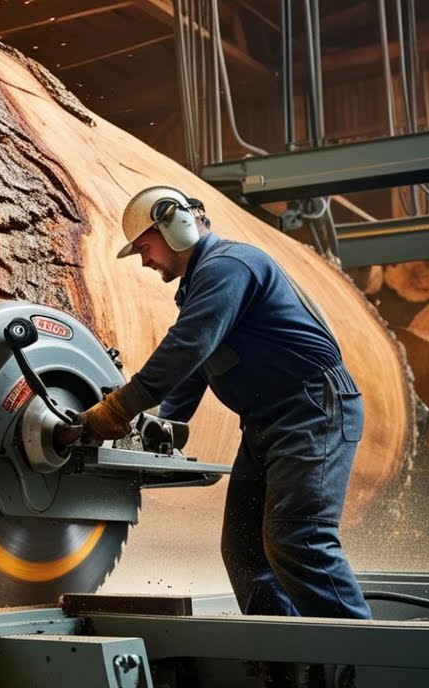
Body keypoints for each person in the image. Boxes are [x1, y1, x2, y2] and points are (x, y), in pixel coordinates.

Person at [72, 185, 372, 619]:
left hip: (312, 410)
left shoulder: (228, 266)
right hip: (268, 421)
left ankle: (363, 671)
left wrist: (119, 409)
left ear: (176, 224)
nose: (143, 259)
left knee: (297, 539)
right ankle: (285, 675)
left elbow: (187, 347)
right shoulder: (204, 283)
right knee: (245, 551)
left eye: (144, 246)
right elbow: (196, 368)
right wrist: (159, 430)